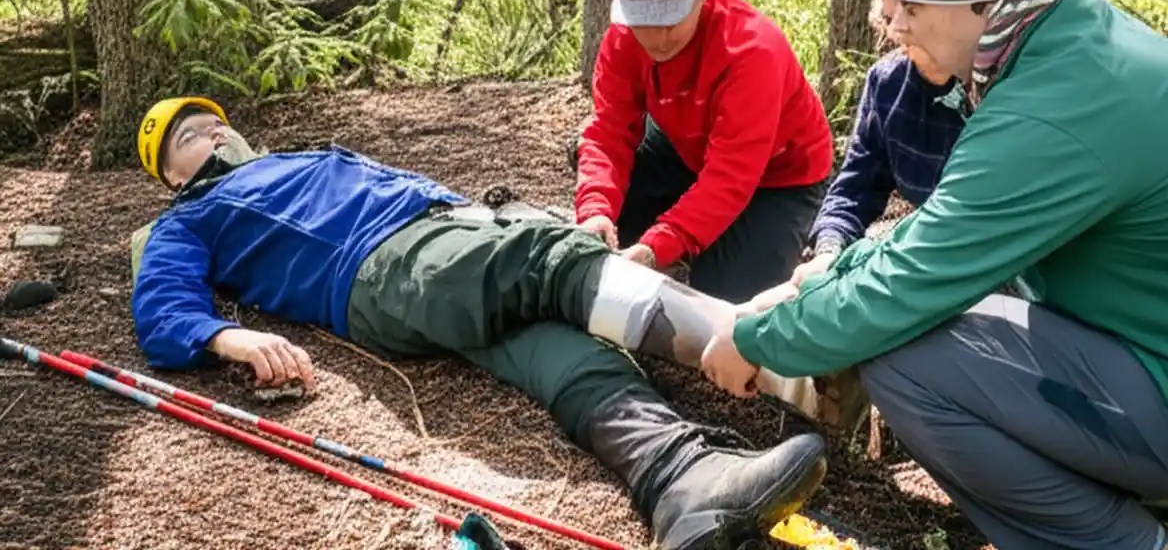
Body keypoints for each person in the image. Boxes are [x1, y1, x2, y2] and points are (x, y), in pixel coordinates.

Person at [702, 0, 1168, 550]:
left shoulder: (1053, 110)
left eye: (912, 7)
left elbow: (912, 286)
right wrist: (819, 278)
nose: (895, 28)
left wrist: (755, 340)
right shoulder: (1070, 42)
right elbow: (948, 228)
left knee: (903, 358)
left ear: (981, 1)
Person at [126, 96, 830, 550]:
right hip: (387, 265)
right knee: (544, 261)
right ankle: (792, 362)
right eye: (191, 135)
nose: (215, 130)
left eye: (217, 119)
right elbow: (159, 308)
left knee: (563, 353)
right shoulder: (188, 216)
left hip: (443, 248)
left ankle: (683, 481)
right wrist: (227, 336)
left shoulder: (288, 160)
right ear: (171, 176)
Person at [573, 0, 833, 303]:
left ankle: (734, 236)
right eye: (645, 21)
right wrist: (595, 209)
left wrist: (660, 244)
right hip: (685, 147)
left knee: (727, 299)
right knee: (602, 227)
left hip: (779, 177)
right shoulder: (624, 38)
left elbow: (731, 175)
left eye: (671, 19)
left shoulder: (751, 52)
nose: (658, 39)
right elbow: (609, 131)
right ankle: (686, 227)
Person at [793, 0, 966, 287]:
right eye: (886, 15)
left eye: (909, 11)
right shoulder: (887, 83)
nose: (894, 30)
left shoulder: (994, 89)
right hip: (925, 258)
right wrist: (829, 250)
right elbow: (856, 187)